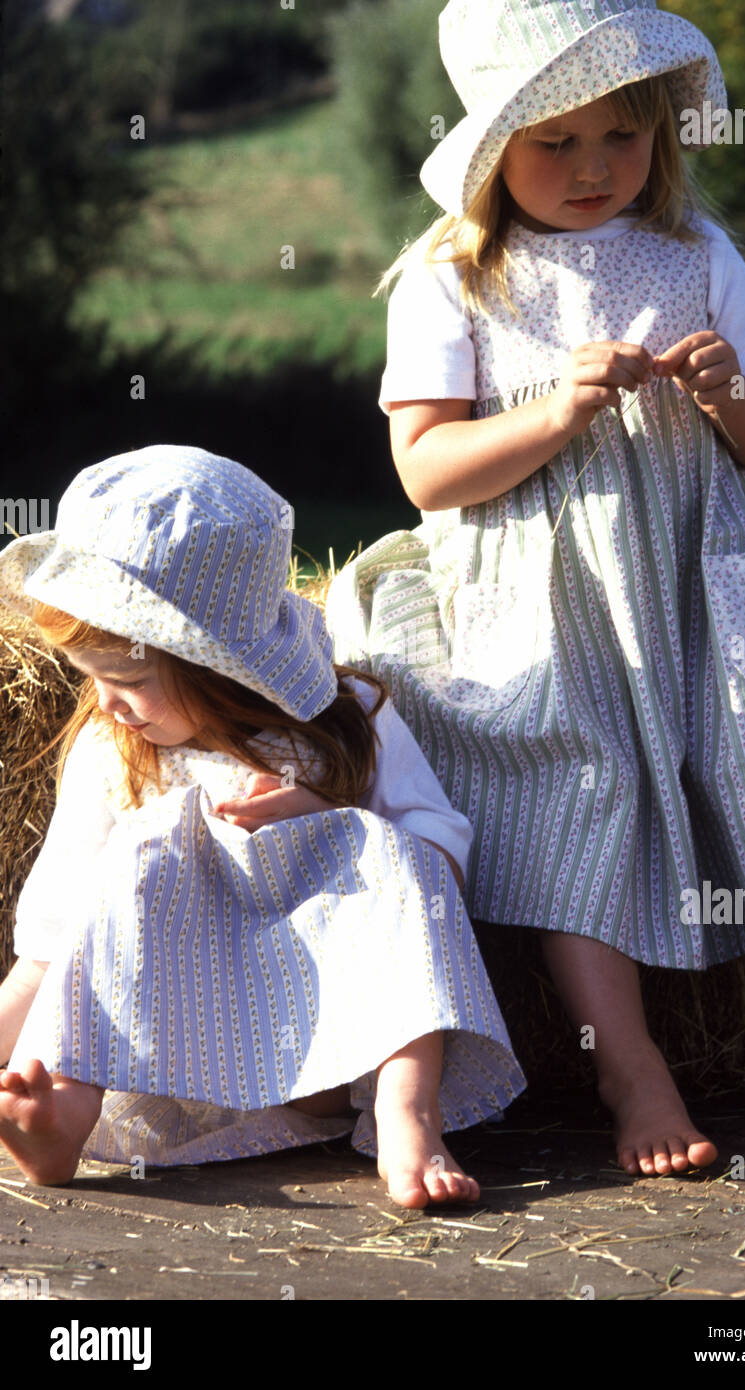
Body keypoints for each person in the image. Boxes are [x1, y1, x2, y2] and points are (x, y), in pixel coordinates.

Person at [322, 0, 745, 1177]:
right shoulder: (455, 278)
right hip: (540, 594)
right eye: (555, 143)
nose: (594, 169)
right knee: (584, 782)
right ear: (491, 154)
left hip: (715, 579)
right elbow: (426, 467)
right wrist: (555, 412)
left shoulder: (697, 255)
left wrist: (732, 394)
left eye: (622, 137)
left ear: (662, 136)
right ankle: (631, 1065)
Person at [0, 445, 526, 1207]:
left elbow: (437, 865)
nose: (107, 704)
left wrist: (332, 827)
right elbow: (55, 937)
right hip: (181, 1058)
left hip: (331, 1046)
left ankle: (407, 1110)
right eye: (93, 679)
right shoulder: (112, 750)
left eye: (129, 681)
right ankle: (62, 1112)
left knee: (390, 847)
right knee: (145, 845)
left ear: (212, 663)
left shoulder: (348, 720)